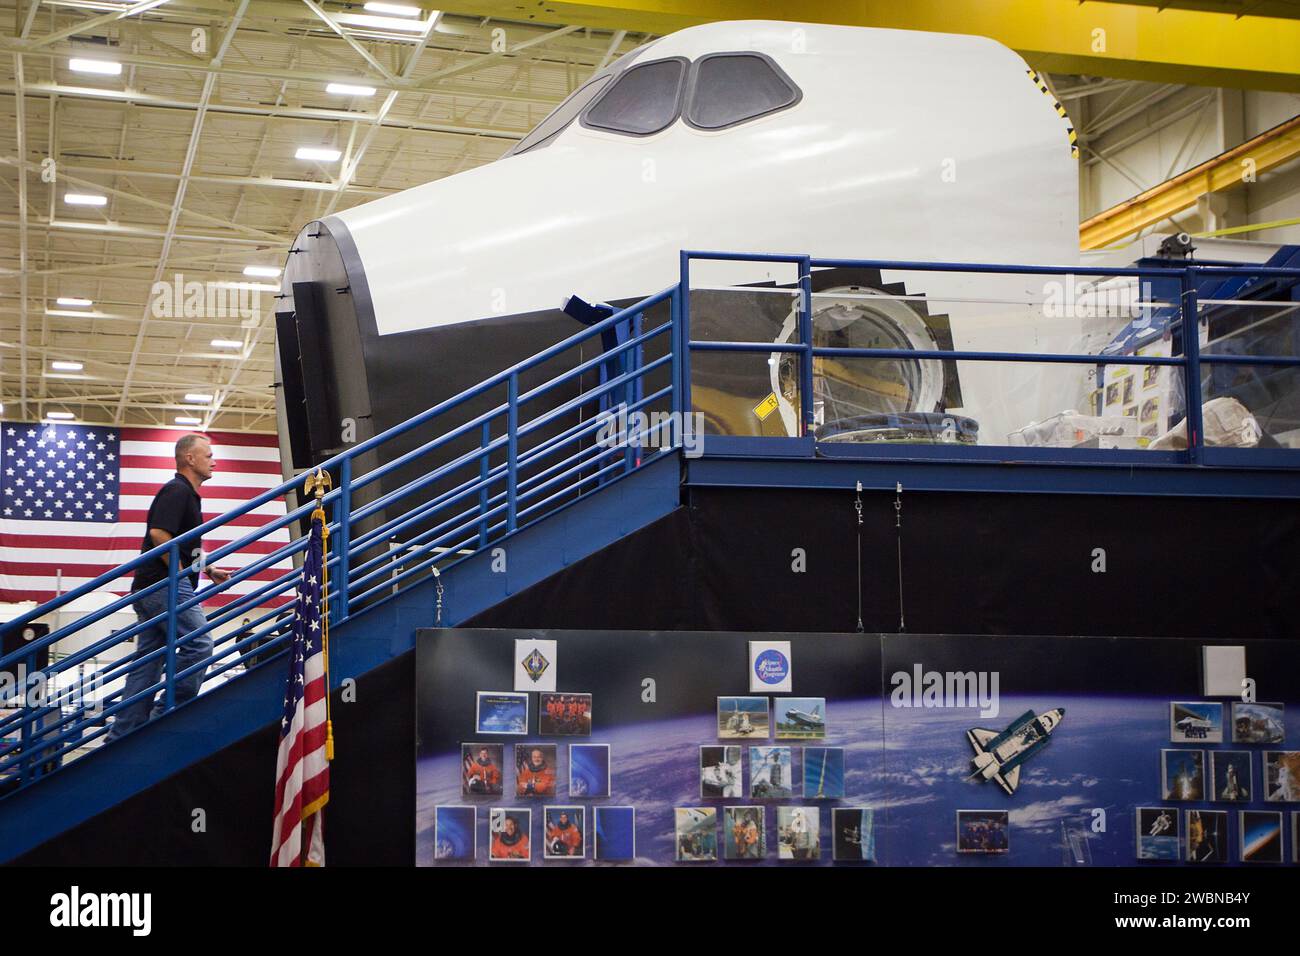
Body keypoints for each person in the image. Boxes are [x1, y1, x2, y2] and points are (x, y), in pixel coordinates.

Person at [107, 434, 229, 741]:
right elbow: (160, 534)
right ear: (190, 458)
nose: (213, 460)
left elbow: (178, 544)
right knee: (199, 644)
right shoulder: (177, 491)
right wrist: (178, 575)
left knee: (148, 662)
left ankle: (123, 734)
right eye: (208, 455)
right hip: (162, 586)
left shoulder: (186, 494)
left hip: (151, 587)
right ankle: (166, 715)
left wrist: (207, 569)